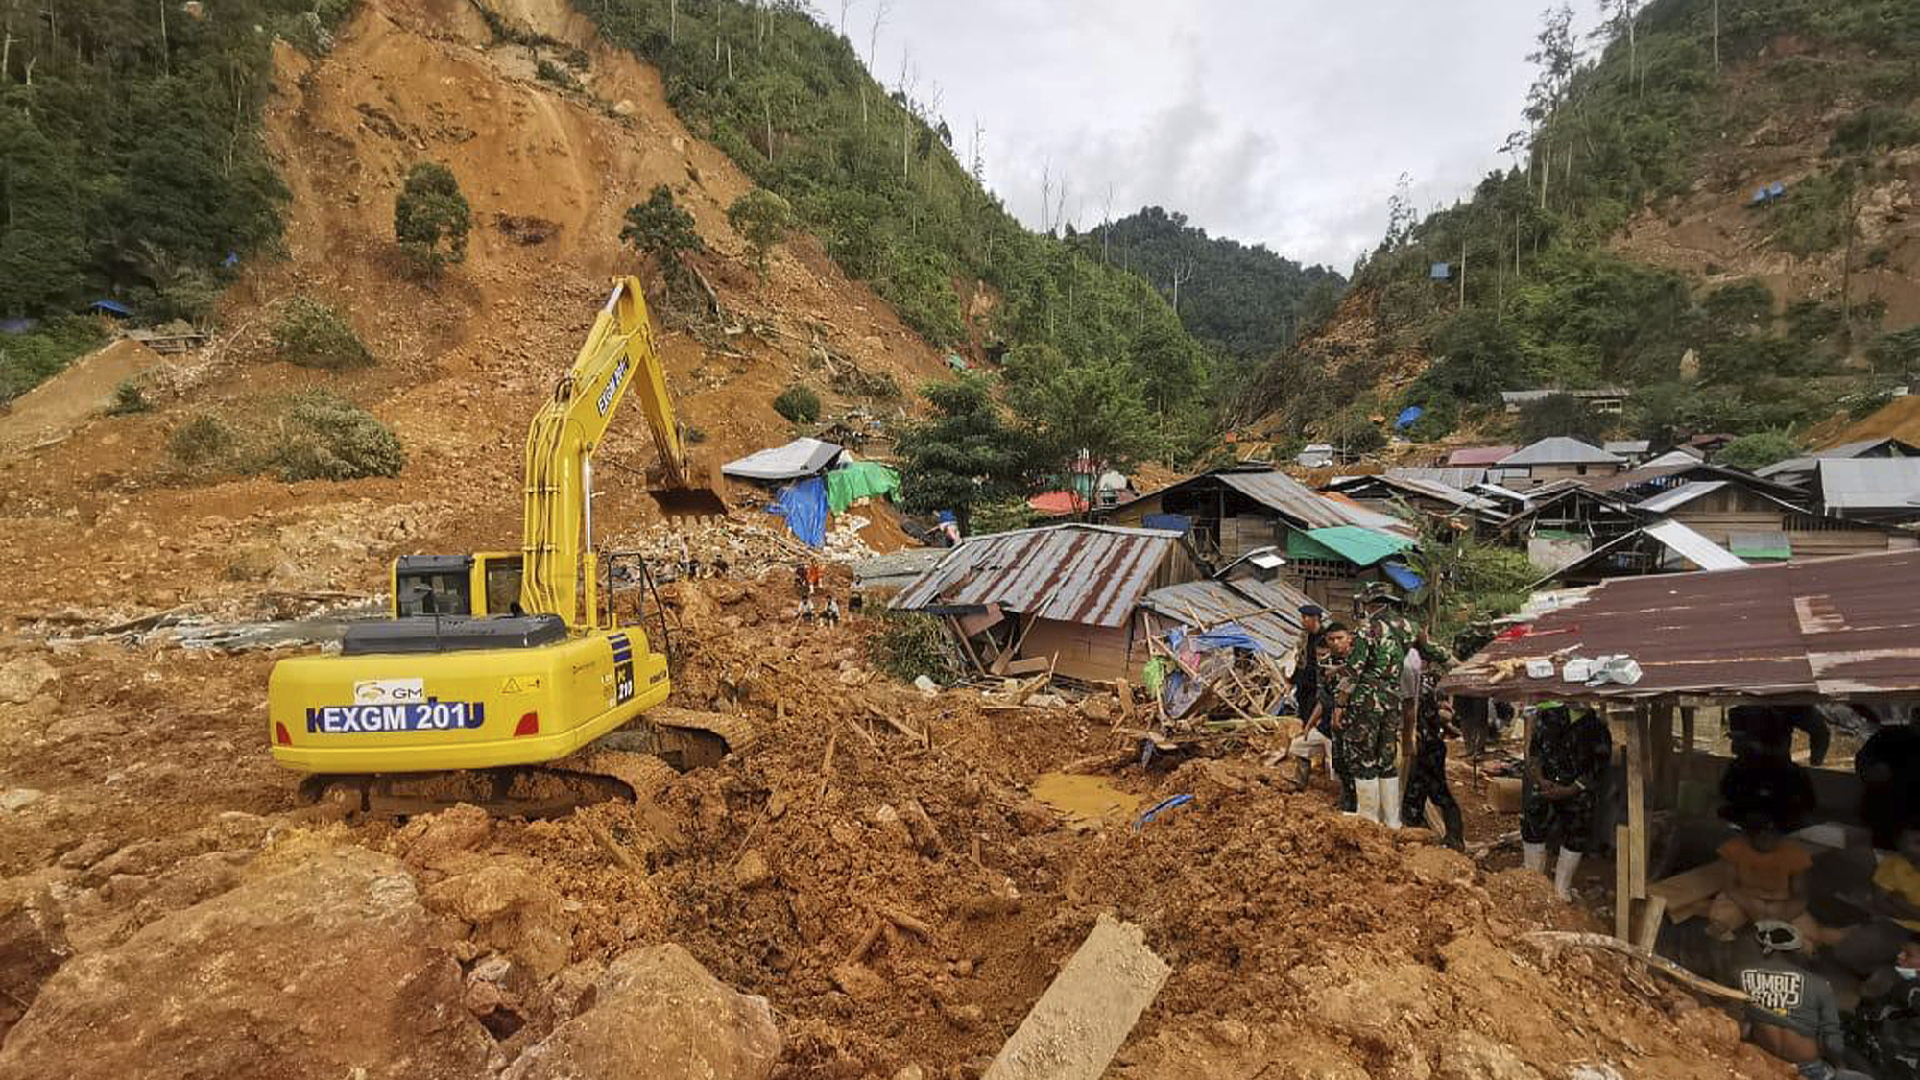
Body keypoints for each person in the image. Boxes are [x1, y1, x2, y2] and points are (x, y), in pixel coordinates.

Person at [1330, 584, 1448, 828]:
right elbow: (1433, 651)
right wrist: (1457, 663)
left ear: (1371, 603)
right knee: (1386, 759)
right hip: (1392, 700)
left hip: (1366, 702)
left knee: (1364, 758)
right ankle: (1392, 821)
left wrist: (1340, 705)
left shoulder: (1367, 630)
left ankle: (1369, 819)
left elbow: (1354, 670)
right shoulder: (1410, 627)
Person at [1738, 921, 1871, 1080]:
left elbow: (1745, 1029)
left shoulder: (1748, 979)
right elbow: (1832, 1043)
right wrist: (1840, 1066)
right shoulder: (1818, 986)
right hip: (1809, 1069)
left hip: (1767, 1058)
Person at [1521, 701, 1612, 900]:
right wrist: (1541, 780)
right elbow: (1534, 754)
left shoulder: (1597, 728)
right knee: (1533, 818)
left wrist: (1570, 789)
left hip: (1576, 790)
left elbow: (1598, 767)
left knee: (1578, 828)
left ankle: (1561, 888)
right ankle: (1532, 881)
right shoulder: (1548, 717)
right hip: (1545, 785)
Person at [1707, 810, 1817, 943]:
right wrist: (1751, 907)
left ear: (1782, 833)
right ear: (1749, 833)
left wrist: (1782, 917)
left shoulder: (1796, 855)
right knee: (1721, 917)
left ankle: (1804, 946)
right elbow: (1730, 887)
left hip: (1781, 902)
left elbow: (1800, 896)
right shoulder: (1734, 849)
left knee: (1807, 930)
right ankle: (1722, 932)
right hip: (1742, 897)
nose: (1765, 836)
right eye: (1759, 831)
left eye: (1772, 832)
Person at [1836, 827, 1920, 978]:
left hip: (1904, 923)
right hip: (1896, 926)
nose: (1908, 847)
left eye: (1916, 842)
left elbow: (1888, 903)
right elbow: (1881, 904)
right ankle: (1893, 972)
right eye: (1905, 841)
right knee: (1845, 952)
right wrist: (1913, 913)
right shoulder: (1892, 863)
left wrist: (1900, 903)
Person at [1401, 665, 1464, 849]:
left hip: (1424, 748)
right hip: (1430, 745)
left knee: (1421, 793)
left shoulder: (1416, 688)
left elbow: (1418, 717)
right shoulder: (1426, 684)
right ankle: (1450, 837)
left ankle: (1441, 838)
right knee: (1429, 793)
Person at [1287, 625, 1344, 793]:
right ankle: (1300, 781)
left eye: (1324, 655)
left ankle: (1343, 797)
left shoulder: (1344, 672)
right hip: (1324, 728)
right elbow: (1322, 702)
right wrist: (1309, 725)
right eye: (1318, 655)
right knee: (1298, 746)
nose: (1321, 659)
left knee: (1338, 768)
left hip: (1339, 731)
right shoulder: (1323, 674)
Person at [1855, 939, 1920, 1080]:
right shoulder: (1897, 981)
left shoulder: (1910, 989)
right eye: (1901, 952)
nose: (1900, 956)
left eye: (1908, 954)